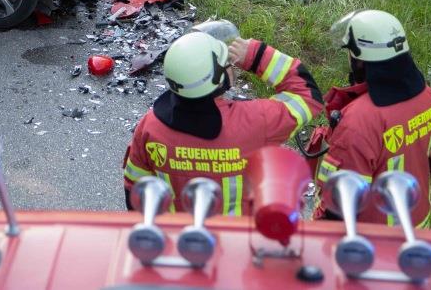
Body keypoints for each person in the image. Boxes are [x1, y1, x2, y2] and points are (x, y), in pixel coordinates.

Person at [123, 31, 323, 215]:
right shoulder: (254, 121)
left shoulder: (150, 125)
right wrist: (257, 56)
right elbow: (307, 94)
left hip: (179, 244)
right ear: (218, 80)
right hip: (238, 245)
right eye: (226, 63)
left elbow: (135, 190)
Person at [312, 10, 431, 227]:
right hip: (418, 230)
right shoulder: (426, 96)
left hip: (374, 245)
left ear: (360, 61)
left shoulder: (359, 121)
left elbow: (340, 206)